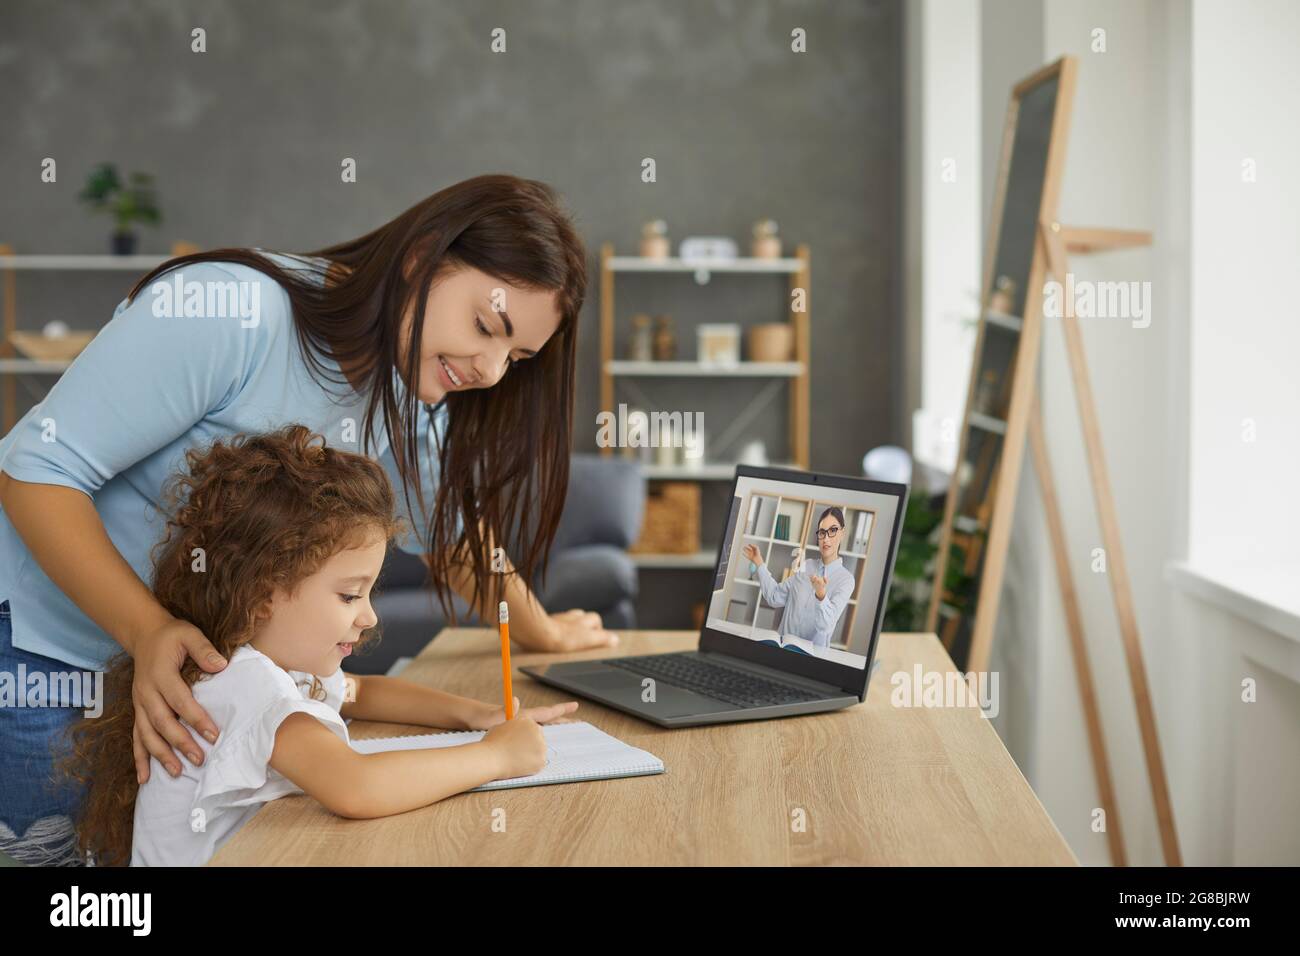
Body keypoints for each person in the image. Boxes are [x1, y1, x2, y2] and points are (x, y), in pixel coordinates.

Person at [0, 174, 614, 865]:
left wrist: (544, 631)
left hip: (177, 678)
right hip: (46, 653)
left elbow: (453, 537)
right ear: (420, 260)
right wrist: (147, 633)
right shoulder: (233, 314)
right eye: (485, 327)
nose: (493, 371)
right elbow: (36, 472)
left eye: (517, 357)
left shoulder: (411, 388)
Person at [62, 426, 580, 867]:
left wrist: (476, 716)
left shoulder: (271, 662)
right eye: (350, 594)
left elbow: (361, 693)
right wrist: (494, 757)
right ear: (263, 594)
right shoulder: (241, 681)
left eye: (369, 592)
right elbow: (354, 787)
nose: (370, 614)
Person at [742, 506, 855, 648]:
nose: (826, 538)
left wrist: (821, 596)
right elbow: (774, 596)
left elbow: (825, 627)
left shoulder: (846, 580)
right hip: (782, 650)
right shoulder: (806, 566)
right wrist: (759, 563)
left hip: (810, 660)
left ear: (842, 533)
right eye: (822, 532)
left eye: (832, 530)